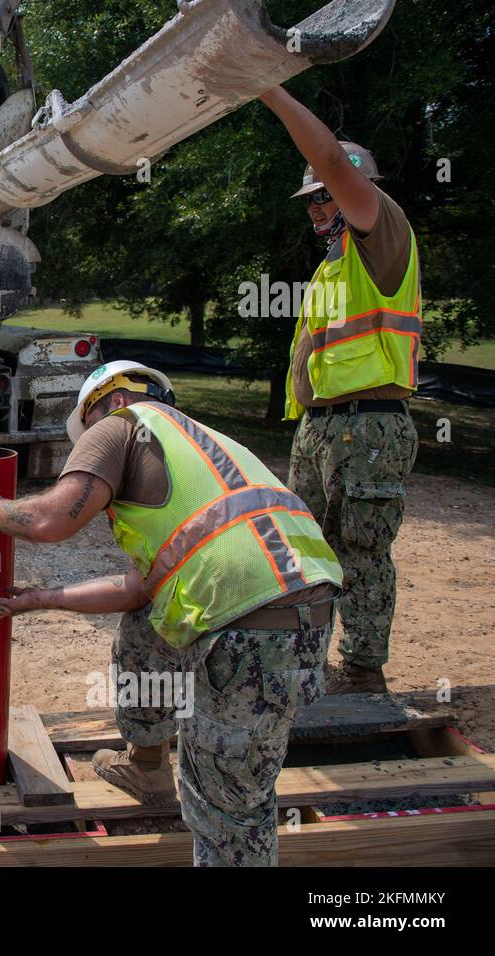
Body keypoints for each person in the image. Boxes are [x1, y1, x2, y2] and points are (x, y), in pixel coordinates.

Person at [0, 361, 343, 866]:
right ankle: (146, 764)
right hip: (300, 615)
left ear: (111, 403)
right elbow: (140, 590)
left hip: (250, 632)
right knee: (147, 629)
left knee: (228, 816)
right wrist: (38, 598)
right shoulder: (202, 447)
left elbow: (49, 519)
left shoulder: (121, 424)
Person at [259, 86, 422, 695]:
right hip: (323, 428)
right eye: (310, 204)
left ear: (352, 192)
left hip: (370, 426)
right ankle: (310, 667)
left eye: (322, 199)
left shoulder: (383, 236)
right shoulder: (333, 265)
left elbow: (330, 158)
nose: (315, 211)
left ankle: (361, 672)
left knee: (360, 553)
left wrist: (267, 88)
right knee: (307, 555)